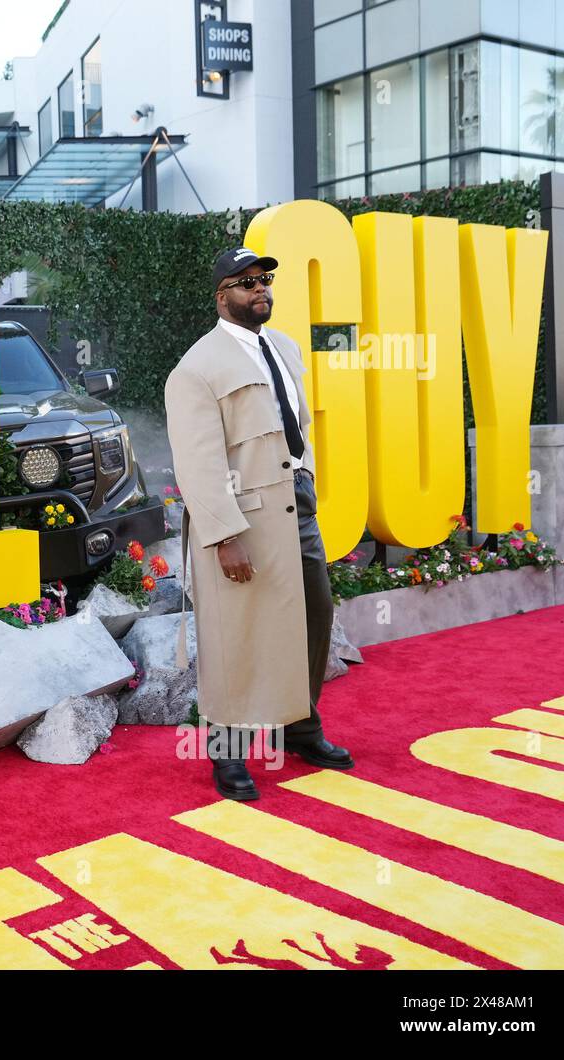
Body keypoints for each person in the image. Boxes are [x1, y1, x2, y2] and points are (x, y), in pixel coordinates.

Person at [164, 247, 354, 801]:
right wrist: (224, 535)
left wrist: (308, 478)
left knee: (312, 618)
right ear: (223, 295)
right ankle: (227, 755)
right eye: (246, 282)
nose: (260, 289)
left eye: (265, 279)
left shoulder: (287, 348)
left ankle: (300, 728)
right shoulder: (196, 367)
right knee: (236, 635)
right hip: (241, 522)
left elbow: (297, 427)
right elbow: (197, 462)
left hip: (297, 508)